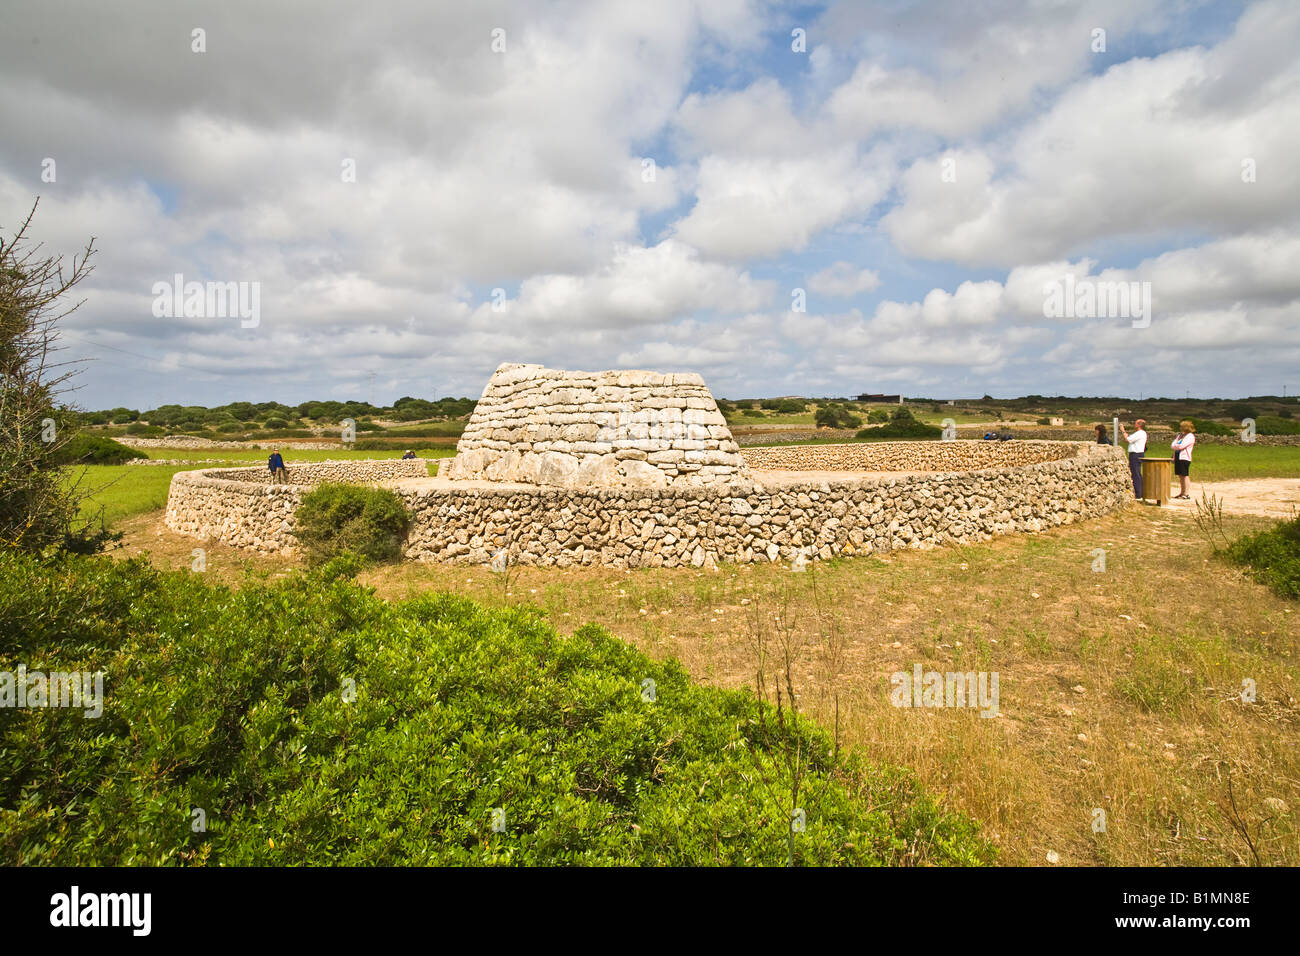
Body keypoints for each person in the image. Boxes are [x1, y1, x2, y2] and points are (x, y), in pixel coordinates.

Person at [1119, 418, 1147, 500]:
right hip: (1137, 454)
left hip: (1136, 454)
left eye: (1135, 423)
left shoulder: (1140, 433)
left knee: (1136, 473)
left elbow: (1127, 439)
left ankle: (1138, 493)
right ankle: (1139, 491)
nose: (1134, 425)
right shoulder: (1140, 433)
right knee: (1137, 473)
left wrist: (1123, 431)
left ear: (1139, 425)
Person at [1171, 420, 1195, 499]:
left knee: (1185, 475)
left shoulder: (1190, 436)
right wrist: (1177, 445)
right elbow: (1173, 445)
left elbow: (1181, 446)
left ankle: (1186, 493)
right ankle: (1181, 492)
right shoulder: (1180, 435)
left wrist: (1176, 445)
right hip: (1177, 456)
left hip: (1184, 458)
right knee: (1180, 475)